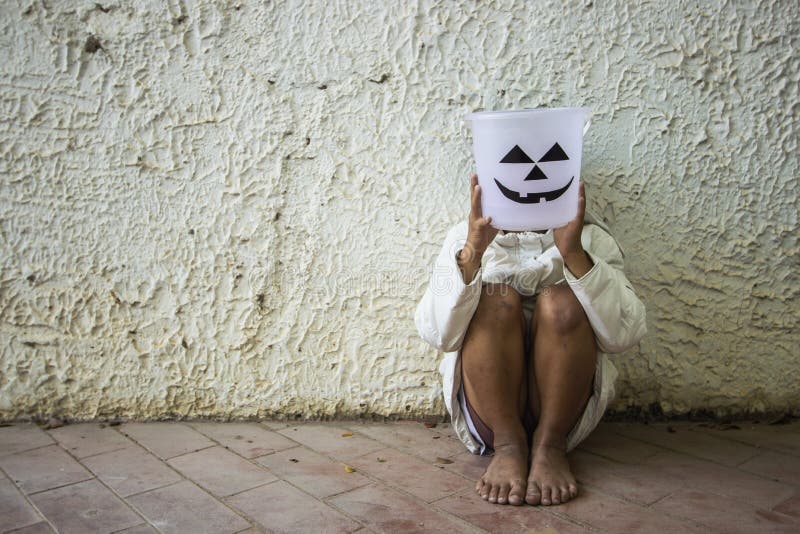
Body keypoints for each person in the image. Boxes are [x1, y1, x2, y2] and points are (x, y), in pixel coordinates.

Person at [414, 174, 647, 506]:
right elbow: (438, 333)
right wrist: (473, 251)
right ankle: (508, 445)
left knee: (561, 302)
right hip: (487, 412)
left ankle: (548, 446)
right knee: (495, 299)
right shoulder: (463, 237)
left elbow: (625, 334)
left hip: (564, 414)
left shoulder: (592, 239)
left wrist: (574, 254)